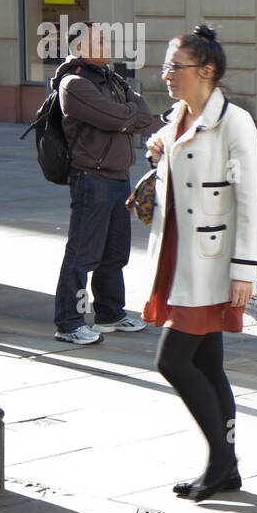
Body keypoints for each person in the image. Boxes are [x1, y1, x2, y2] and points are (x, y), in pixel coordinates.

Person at [142, 26, 257, 501]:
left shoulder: (235, 123)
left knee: (172, 360)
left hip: (211, 263)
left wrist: (243, 271)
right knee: (208, 364)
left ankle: (221, 462)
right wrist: (158, 150)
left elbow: (250, 201)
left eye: (175, 66)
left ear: (206, 72)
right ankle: (225, 469)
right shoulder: (177, 116)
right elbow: (166, 146)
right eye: (167, 66)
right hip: (178, 254)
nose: (166, 74)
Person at [52, 23, 154, 344]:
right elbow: (119, 118)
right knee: (83, 253)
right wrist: (125, 117)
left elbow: (144, 115)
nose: (107, 45)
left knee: (114, 252)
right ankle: (69, 322)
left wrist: (123, 116)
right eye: (99, 41)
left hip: (118, 177)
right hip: (91, 178)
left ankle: (110, 313)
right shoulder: (74, 84)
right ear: (81, 49)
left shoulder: (113, 80)